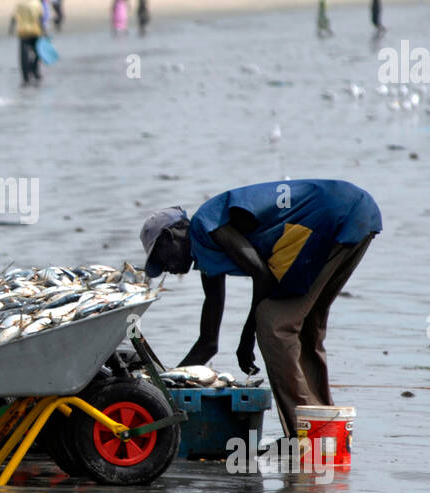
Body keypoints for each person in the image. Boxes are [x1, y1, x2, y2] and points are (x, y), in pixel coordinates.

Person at [139, 180, 382, 438]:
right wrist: (165, 385)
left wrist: (248, 336)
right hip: (359, 213)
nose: (165, 268)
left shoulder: (206, 224)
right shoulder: (207, 258)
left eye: (160, 258)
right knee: (304, 326)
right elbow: (208, 343)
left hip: (335, 218)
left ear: (170, 236)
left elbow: (262, 275)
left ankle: (305, 435)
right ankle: (324, 429)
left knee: (274, 323)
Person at [8, 0, 45, 85]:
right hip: (35, 31)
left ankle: (25, 77)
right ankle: (35, 70)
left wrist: (11, 29)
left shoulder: (20, 4)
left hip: (23, 32)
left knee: (23, 56)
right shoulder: (37, 3)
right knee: (38, 52)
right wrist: (44, 31)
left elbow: (14, 17)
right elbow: (41, 18)